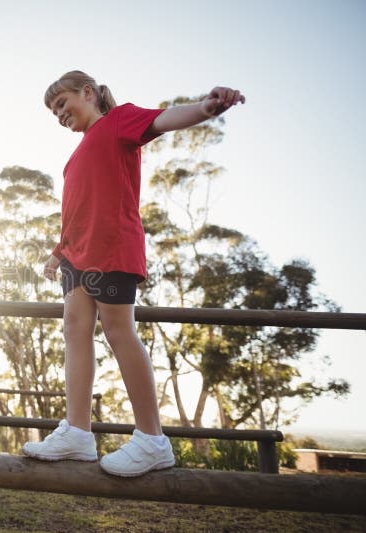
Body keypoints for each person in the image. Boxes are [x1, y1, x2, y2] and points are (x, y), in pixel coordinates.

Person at [21, 70, 245, 477]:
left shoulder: (118, 121)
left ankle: (152, 440)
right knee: (74, 330)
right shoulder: (78, 152)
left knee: (118, 331)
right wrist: (58, 253)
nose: (58, 115)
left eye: (61, 103)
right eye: (53, 111)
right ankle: (77, 432)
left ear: (88, 93)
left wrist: (206, 108)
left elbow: (163, 118)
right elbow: (77, 210)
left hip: (112, 247)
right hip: (76, 256)